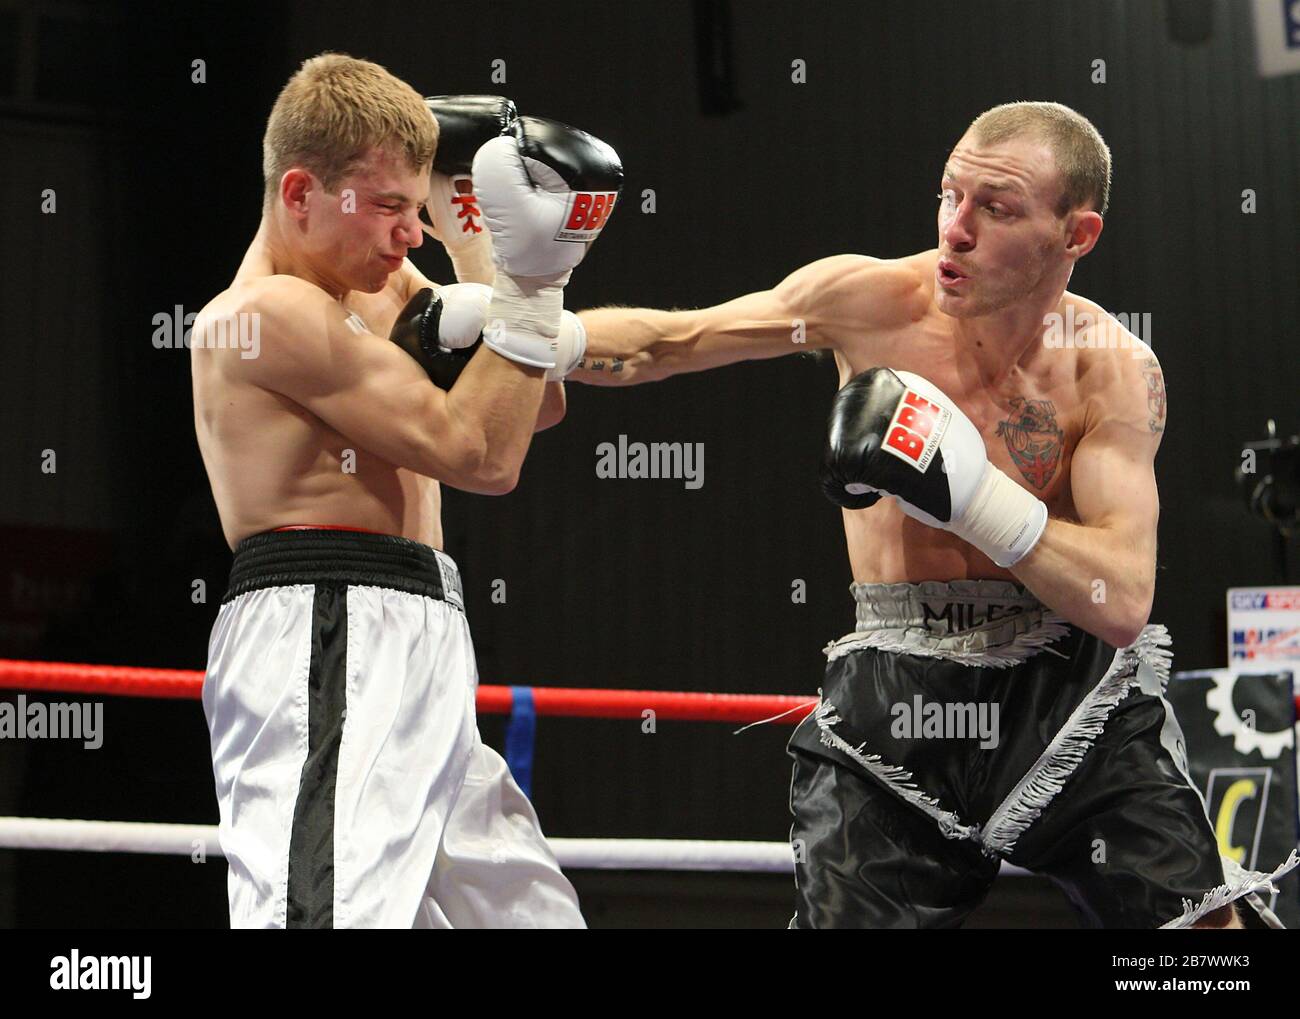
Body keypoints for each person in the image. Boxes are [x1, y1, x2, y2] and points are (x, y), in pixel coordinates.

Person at [569, 100, 1299, 928]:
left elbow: (1124, 600)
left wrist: (979, 498)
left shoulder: (1111, 370)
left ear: (1078, 235)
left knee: (1203, 942)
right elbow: (674, 341)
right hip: (895, 688)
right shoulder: (868, 302)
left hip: (1064, 689)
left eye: (997, 208)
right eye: (949, 195)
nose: (956, 229)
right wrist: (526, 335)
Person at [190, 54, 620, 928]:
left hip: (421, 630)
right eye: (388, 208)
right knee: (324, 913)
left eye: (416, 208)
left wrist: (478, 239)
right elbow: (481, 454)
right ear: (301, 193)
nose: (407, 235)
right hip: (326, 627)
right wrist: (534, 284)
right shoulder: (267, 315)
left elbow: (535, 404)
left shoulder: (380, 285)